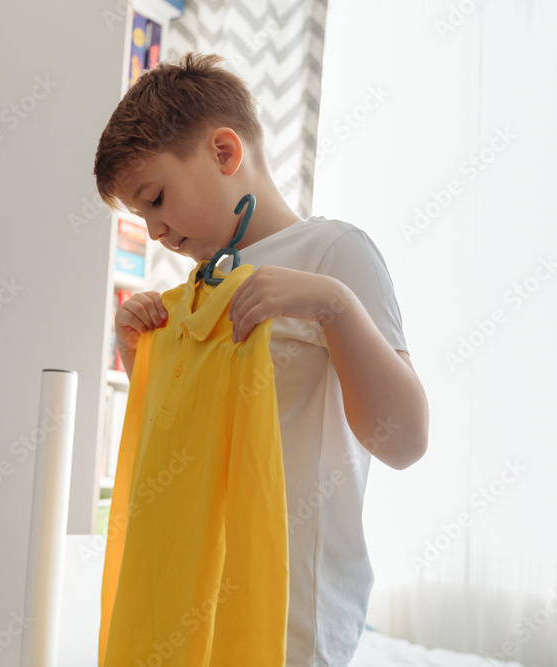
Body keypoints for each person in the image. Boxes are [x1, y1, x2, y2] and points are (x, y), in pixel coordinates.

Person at [93, 52, 430, 666]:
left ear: (224, 153)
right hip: (198, 594)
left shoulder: (333, 253)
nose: (157, 233)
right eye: (143, 218)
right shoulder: (198, 291)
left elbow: (404, 442)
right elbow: (181, 453)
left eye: (157, 199)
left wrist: (335, 306)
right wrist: (139, 356)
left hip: (294, 606)